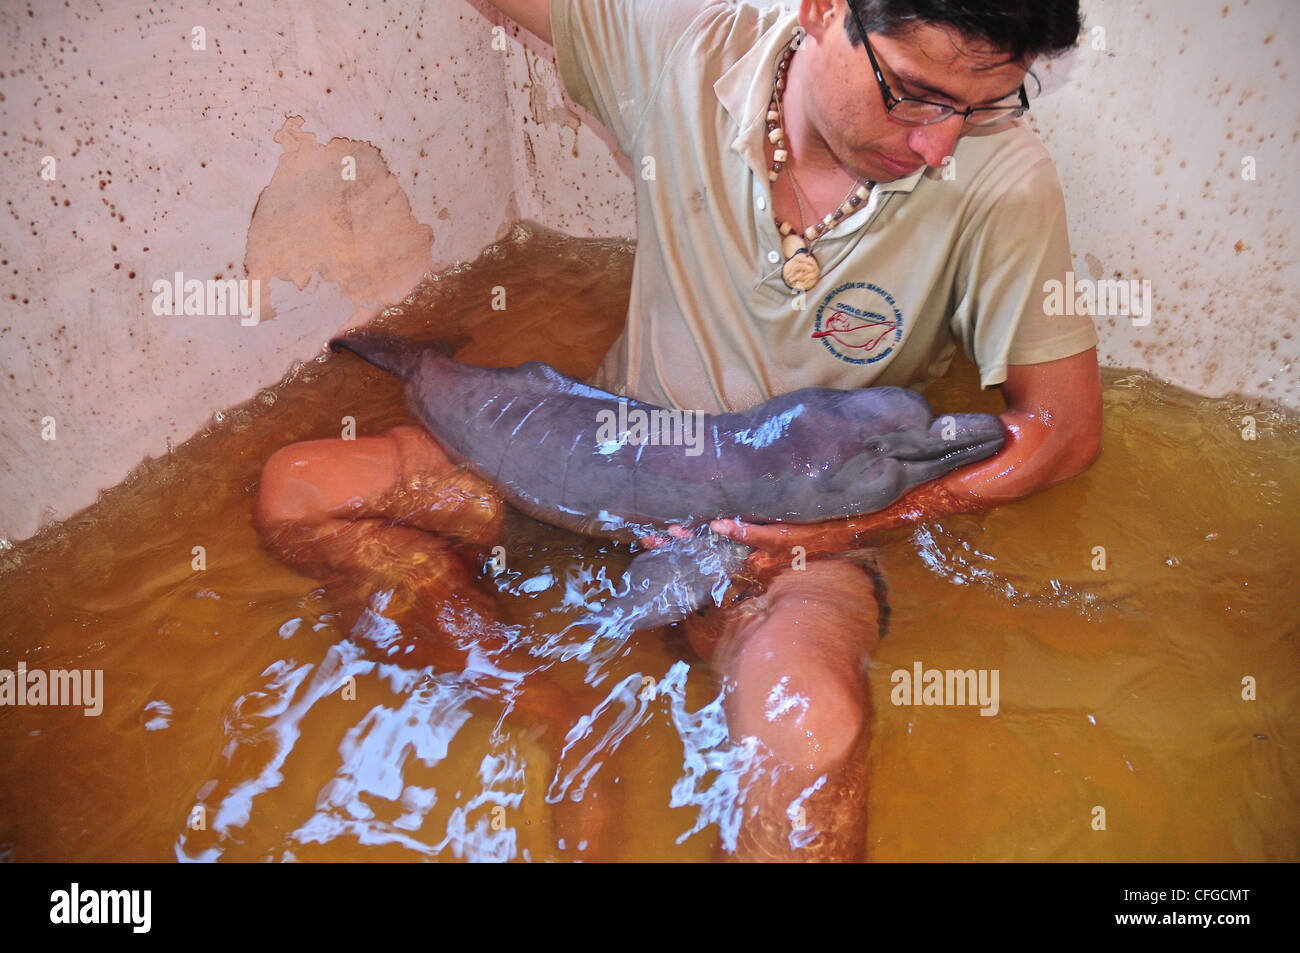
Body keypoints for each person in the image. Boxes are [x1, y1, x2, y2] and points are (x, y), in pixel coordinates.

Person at [254, 0, 1102, 861]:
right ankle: (556, 712)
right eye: (915, 94)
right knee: (304, 488)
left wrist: (864, 520)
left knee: (809, 729)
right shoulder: (686, 45)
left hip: (800, 537)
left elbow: (1063, 429)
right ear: (822, 9)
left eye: (982, 104)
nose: (940, 142)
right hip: (590, 465)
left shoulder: (1000, 175)